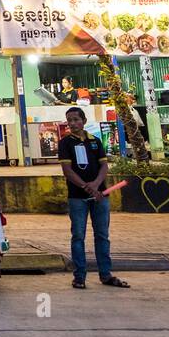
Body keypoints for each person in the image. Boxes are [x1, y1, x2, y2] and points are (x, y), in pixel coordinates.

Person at [58, 106, 129, 290]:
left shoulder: (95, 141)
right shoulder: (65, 143)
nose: (73, 123)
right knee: (78, 236)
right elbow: (67, 171)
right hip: (77, 197)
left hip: (100, 196)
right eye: (69, 120)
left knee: (102, 235)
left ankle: (106, 274)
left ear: (84, 121)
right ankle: (79, 276)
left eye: (76, 119)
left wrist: (96, 185)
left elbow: (104, 166)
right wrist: (86, 187)